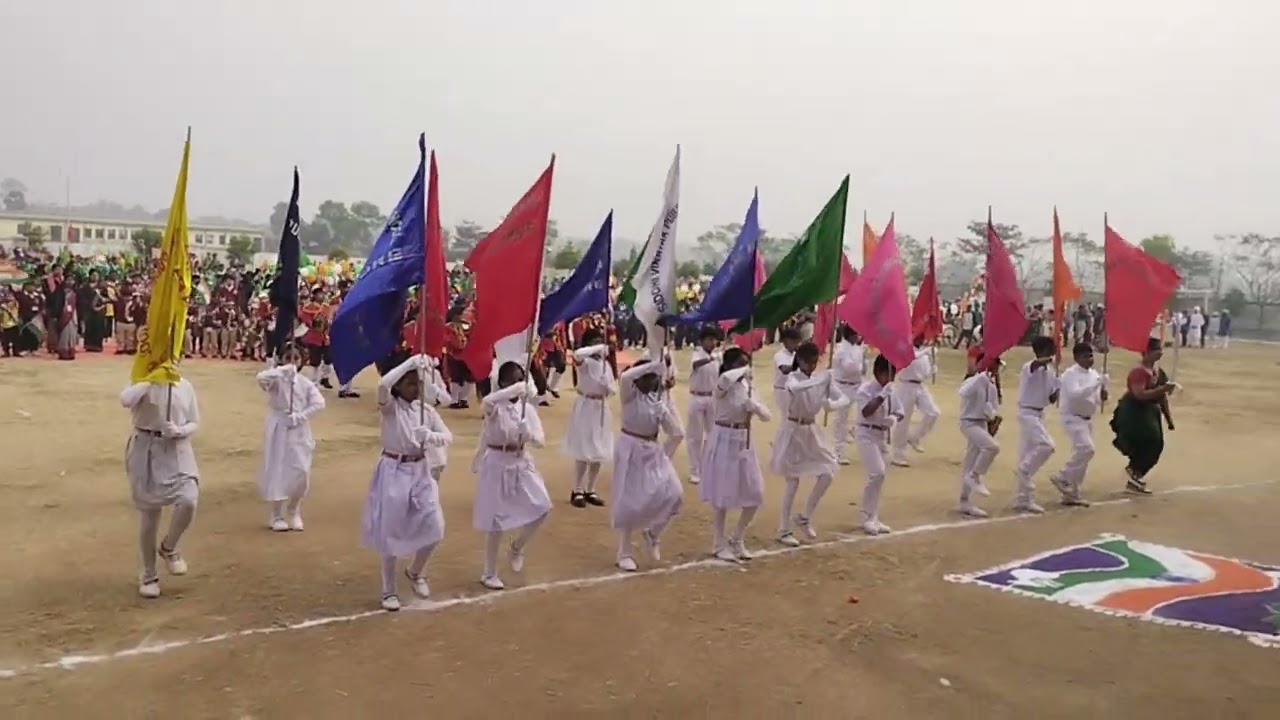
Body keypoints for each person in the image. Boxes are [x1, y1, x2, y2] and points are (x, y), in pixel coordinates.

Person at [363, 354, 451, 611]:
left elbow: (448, 436)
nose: (416, 388)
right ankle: (388, 590)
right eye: (410, 383)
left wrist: (432, 436)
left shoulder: (426, 410)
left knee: (435, 526)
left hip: (421, 469)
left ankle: (415, 571)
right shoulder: (390, 407)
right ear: (399, 386)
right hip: (393, 469)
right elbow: (382, 386)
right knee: (392, 530)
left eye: (418, 383)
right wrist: (411, 362)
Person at [119, 376, 202, 599]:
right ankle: (148, 574)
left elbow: (194, 420)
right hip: (145, 448)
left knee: (188, 499)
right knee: (150, 515)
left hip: (177, 448)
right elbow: (125, 399)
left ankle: (169, 548)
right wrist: (147, 383)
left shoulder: (184, 385)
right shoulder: (140, 380)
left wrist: (179, 431)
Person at [473, 362, 552, 590]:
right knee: (495, 521)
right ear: (504, 383)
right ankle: (489, 572)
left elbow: (541, 441)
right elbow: (487, 402)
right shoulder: (495, 406)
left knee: (542, 507)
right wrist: (514, 391)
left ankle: (517, 546)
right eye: (515, 380)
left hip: (521, 460)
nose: (521, 384)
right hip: (498, 461)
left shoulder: (527, 408)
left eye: (523, 379)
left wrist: (529, 434)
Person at [771, 342, 850, 546]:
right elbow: (797, 389)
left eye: (816, 362)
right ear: (801, 361)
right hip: (792, 431)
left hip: (811, 431)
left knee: (828, 471)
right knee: (793, 481)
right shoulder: (791, 379)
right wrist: (821, 380)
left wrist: (829, 404)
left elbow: (843, 399)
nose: (813, 366)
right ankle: (784, 528)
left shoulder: (820, 380)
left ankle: (805, 515)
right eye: (809, 362)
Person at [611, 358, 685, 571]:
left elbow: (677, 433)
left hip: (652, 450)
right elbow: (625, 376)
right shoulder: (629, 394)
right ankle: (623, 552)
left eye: (653, 378)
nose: (649, 382)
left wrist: (665, 455)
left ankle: (653, 534)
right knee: (629, 501)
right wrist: (656, 364)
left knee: (675, 494)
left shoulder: (658, 400)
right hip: (630, 448)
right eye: (646, 377)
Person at [699, 347, 772, 562]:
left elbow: (767, 415)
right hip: (724, 437)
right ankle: (718, 542)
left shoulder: (747, 386)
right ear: (730, 365)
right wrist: (744, 369)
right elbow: (725, 379)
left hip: (744, 440)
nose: (744, 367)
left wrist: (755, 407)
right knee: (722, 495)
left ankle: (737, 537)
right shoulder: (722, 383)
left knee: (755, 492)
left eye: (746, 363)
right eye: (739, 363)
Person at [255, 345, 326, 532]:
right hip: (279, 426)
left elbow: (319, 403)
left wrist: (300, 417)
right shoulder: (276, 380)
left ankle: (294, 509)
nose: (292, 362)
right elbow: (261, 379)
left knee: (301, 469)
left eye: (296, 358)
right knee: (278, 467)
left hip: (299, 429)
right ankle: (276, 514)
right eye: (288, 357)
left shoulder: (305, 383)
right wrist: (282, 370)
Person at [1110, 337, 1177, 494]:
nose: (1159, 353)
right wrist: (1163, 389)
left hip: (1150, 412)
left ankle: (1135, 474)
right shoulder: (1138, 372)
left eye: (1160, 350)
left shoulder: (1159, 372)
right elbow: (1139, 394)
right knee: (1149, 442)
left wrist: (1168, 419)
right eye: (1155, 350)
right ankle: (1135, 472)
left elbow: (1162, 398)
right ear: (1145, 353)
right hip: (1134, 411)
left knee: (1155, 444)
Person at [1049, 342, 1108, 506]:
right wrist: (1097, 384)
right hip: (1072, 417)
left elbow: (1094, 398)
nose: (1090, 359)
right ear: (1076, 358)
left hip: (1087, 418)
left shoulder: (1094, 374)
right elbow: (1076, 395)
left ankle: (1073, 493)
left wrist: (1102, 393)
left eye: (1091, 355)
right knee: (1086, 449)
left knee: (1083, 457)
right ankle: (1062, 476)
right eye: (1085, 356)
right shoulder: (1070, 374)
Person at [564, 329, 616, 508]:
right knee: (584, 449)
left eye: (599, 341)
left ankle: (590, 489)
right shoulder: (584, 362)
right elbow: (577, 354)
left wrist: (606, 385)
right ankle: (576, 489)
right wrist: (598, 347)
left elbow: (613, 388)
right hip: (585, 404)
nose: (598, 346)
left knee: (598, 450)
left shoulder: (605, 365)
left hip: (601, 406)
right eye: (593, 342)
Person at [852, 354, 901, 534]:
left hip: (882, 435)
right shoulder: (865, 390)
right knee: (877, 473)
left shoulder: (891, 390)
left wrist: (894, 418)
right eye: (889, 374)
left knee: (881, 478)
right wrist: (881, 396)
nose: (892, 379)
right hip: (866, 433)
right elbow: (866, 411)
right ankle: (866, 515)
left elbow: (900, 411)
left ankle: (874, 515)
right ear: (879, 373)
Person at [1010, 336, 1059, 514]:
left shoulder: (1051, 371)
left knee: (1026, 452)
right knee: (1047, 446)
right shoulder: (1029, 367)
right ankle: (1023, 471)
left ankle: (1023, 499)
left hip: (1040, 413)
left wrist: (1058, 389)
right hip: (1027, 412)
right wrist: (1048, 360)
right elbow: (1036, 366)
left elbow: (1051, 398)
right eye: (1051, 348)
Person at [956, 351, 1002, 518]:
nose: (997, 368)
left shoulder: (991, 386)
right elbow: (963, 392)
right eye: (995, 364)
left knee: (971, 460)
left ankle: (964, 501)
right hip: (969, 422)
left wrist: (992, 418)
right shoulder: (974, 381)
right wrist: (979, 376)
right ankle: (975, 476)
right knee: (992, 447)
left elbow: (993, 407)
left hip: (981, 422)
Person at [889, 335, 940, 467]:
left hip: (920, 386)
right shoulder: (904, 349)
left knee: (933, 412)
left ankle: (915, 437)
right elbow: (910, 357)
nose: (922, 340)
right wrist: (927, 351)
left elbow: (926, 373)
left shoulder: (924, 354)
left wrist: (933, 367)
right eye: (919, 337)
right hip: (906, 386)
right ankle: (898, 454)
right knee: (903, 421)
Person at [685, 326, 723, 485]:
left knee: (713, 434)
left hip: (712, 397)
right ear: (702, 341)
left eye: (714, 340)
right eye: (709, 339)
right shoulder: (697, 354)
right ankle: (694, 470)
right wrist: (712, 358)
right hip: (697, 397)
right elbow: (696, 364)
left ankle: (708, 466)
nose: (712, 342)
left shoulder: (717, 357)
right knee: (695, 436)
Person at [830, 325, 867, 464]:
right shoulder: (841, 350)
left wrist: (863, 359)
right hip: (843, 386)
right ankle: (839, 452)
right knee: (841, 420)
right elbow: (849, 368)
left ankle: (853, 429)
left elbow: (862, 369)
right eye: (856, 334)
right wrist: (860, 361)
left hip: (858, 385)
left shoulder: (857, 348)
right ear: (850, 335)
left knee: (868, 409)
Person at [772, 328, 802, 416]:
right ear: (786, 341)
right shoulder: (780, 355)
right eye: (795, 342)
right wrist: (798, 365)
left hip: (793, 389)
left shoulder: (795, 354)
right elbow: (784, 370)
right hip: (782, 390)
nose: (797, 345)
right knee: (787, 417)